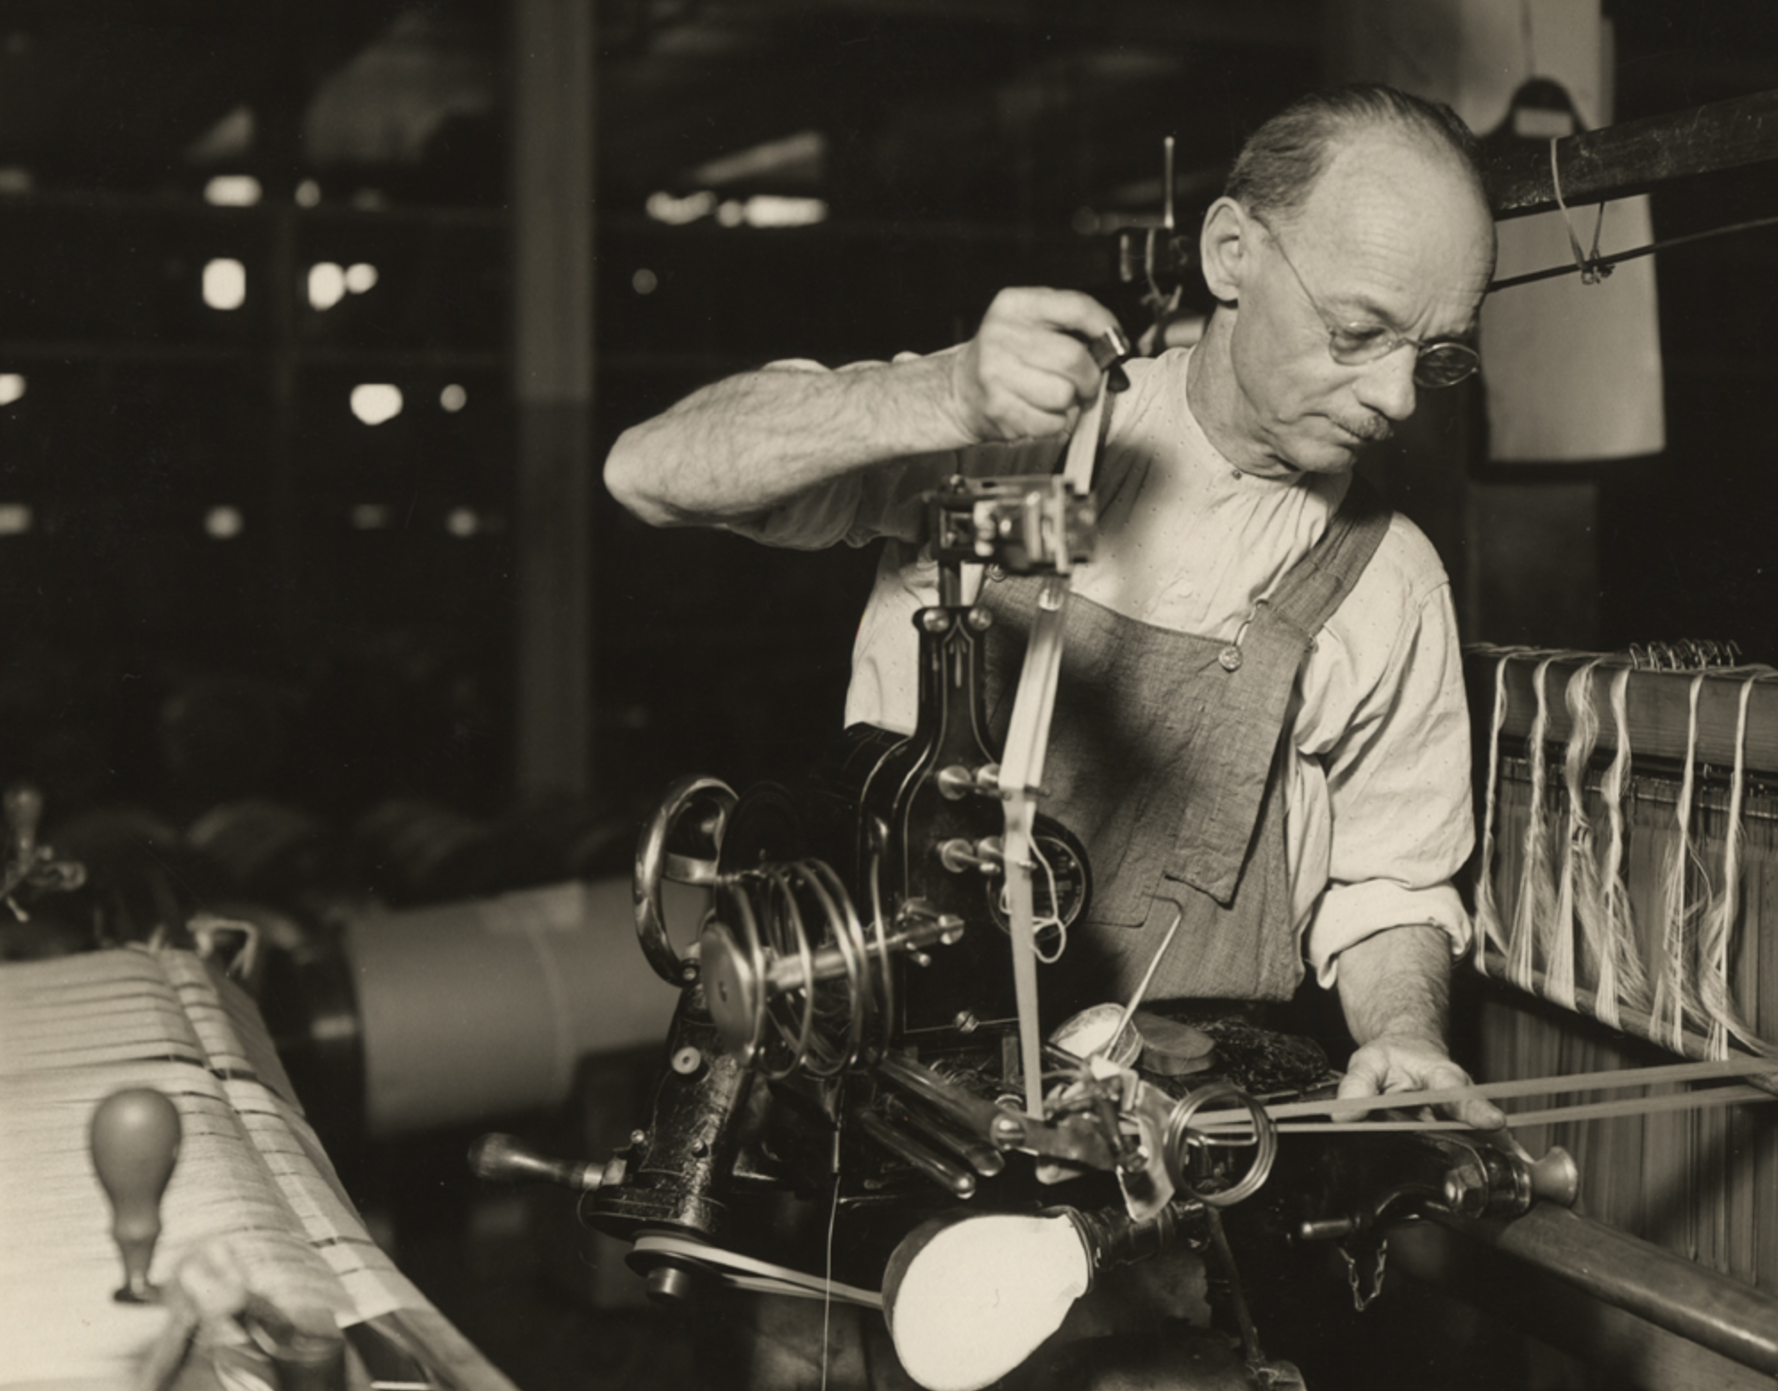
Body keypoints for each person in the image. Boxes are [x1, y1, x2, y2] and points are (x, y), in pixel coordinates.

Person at [607, 84, 1504, 1132]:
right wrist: (938, 396)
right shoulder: (1028, 448)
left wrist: (1405, 1030)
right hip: (895, 1102)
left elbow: (1390, 880)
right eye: (1359, 331)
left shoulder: (1384, 578)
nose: (1398, 399)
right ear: (1230, 254)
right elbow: (648, 472)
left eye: (1434, 355)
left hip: (1176, 1140)